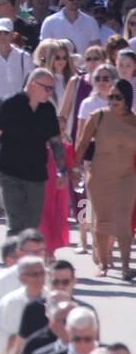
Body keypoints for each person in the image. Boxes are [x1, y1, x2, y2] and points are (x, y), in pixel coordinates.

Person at [0, 68, 67, 236]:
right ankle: (14, 259)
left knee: (32, 225)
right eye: (47, 88)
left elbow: (55, 142)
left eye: (52, 89)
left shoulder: (48, 110)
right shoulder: (8, 104)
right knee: (16, 224)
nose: (50, 93)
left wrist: (61, 171)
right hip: (9, 172)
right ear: (33, 85)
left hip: (36, 174)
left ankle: (27, 258)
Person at [72, 77, 136, 279]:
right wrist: (75, 167)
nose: (113, 100)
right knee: (100, 222)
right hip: (99, 177)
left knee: (123, 221)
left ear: (127, 98)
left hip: (126, 177)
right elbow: (82, 144)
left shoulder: (135, 121)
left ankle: (126, 266)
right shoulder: (98, 116)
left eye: (117, 97)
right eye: (110, 97)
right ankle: (103, 264)